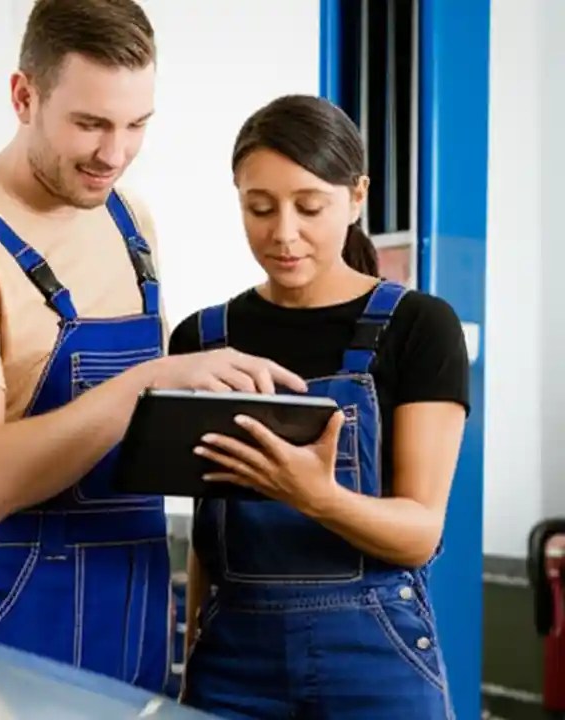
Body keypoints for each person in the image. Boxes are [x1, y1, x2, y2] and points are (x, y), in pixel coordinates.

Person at [0, 0, 307, 691]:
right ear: (24, 96)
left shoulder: (128, 220)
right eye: (89, 124)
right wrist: (150, 382)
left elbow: (134, 442)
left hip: (135, 599)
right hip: (10, 612)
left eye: (136, 125)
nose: (114, 153)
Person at [172, 94, 469, 718]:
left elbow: (420, 533)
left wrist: (316, 496)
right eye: (259, 207)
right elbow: (208, 531)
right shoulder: (201, 341)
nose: (284, 233)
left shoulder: (418, 327)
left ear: (356, 196)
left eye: (310, 207)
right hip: (231, 661)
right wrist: (192, 651)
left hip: (376, 659)